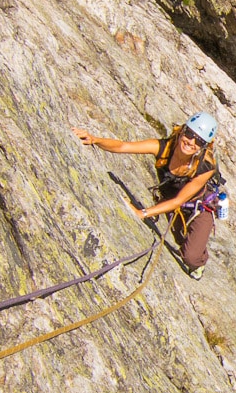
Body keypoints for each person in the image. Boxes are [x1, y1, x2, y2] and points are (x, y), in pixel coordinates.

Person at [72, 112, 224, 279]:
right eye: (190, 134)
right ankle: (194, 243)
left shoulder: (204, 167)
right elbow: (124, 146)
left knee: (190, 257)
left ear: (203, 146)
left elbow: (178, 201)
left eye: (199, 141)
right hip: (172, 203)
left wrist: (142, 213)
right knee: (182, 241)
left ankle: (200, 262)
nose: (191, 142)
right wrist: (95, 139)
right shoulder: (164, 148)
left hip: (200, 207)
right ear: (182, 130)